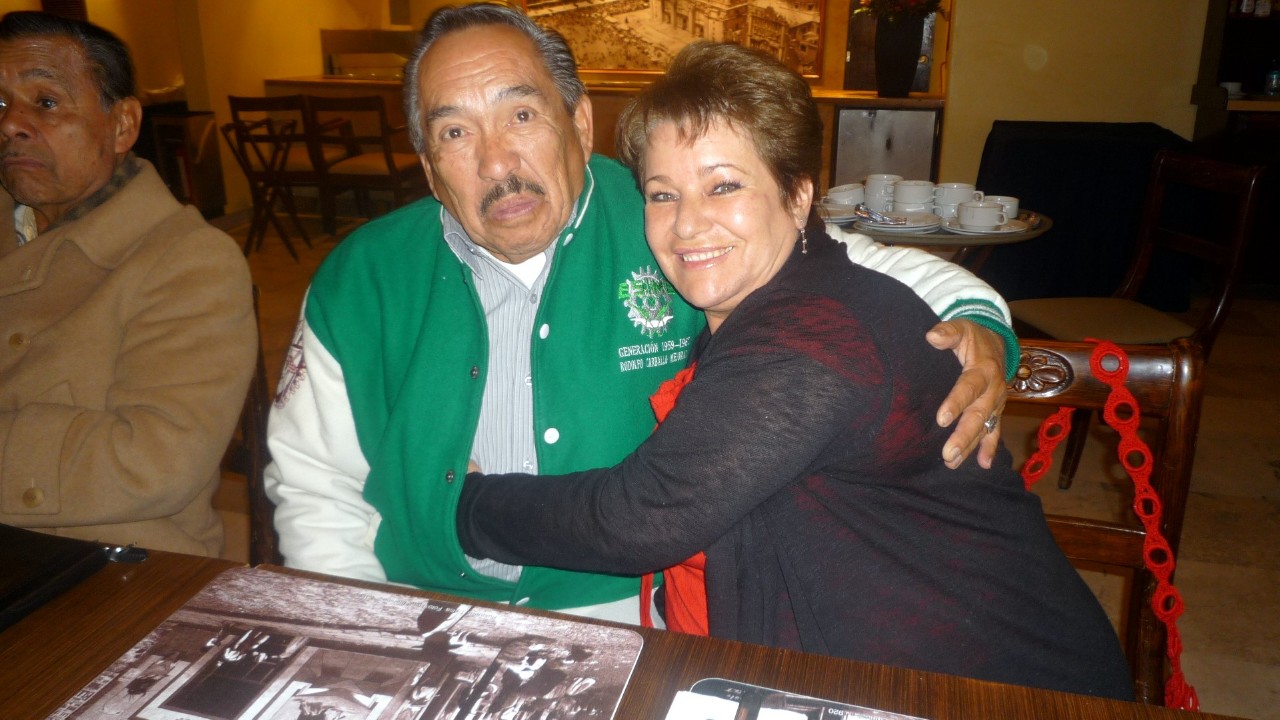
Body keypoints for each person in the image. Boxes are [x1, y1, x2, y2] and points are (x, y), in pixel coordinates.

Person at [265, 2, 1016, 624]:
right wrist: (359, 624)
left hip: (629, 610)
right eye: (456, 132)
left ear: (579, 125)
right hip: (415, 604)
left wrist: (974, 319)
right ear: (428, 166)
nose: (496, 163)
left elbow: (842, 260)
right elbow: (313, 484)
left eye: (521, 114)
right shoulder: (360, 279)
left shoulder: (670, 218)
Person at [454, 41, 1134, 700]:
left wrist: (471, 505)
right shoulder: (787, 292)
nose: (689, 224)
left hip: (1003, 692)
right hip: (878, 674)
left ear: (798, 194)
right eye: (663, 195)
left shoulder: (813, 338)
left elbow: (644, 518)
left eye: (723, 186)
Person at [0, 12, 255, 555]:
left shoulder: (186, 260)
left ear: (122, 125)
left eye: (45, 102)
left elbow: (153, 463)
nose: (10, 124)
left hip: (106, 568)